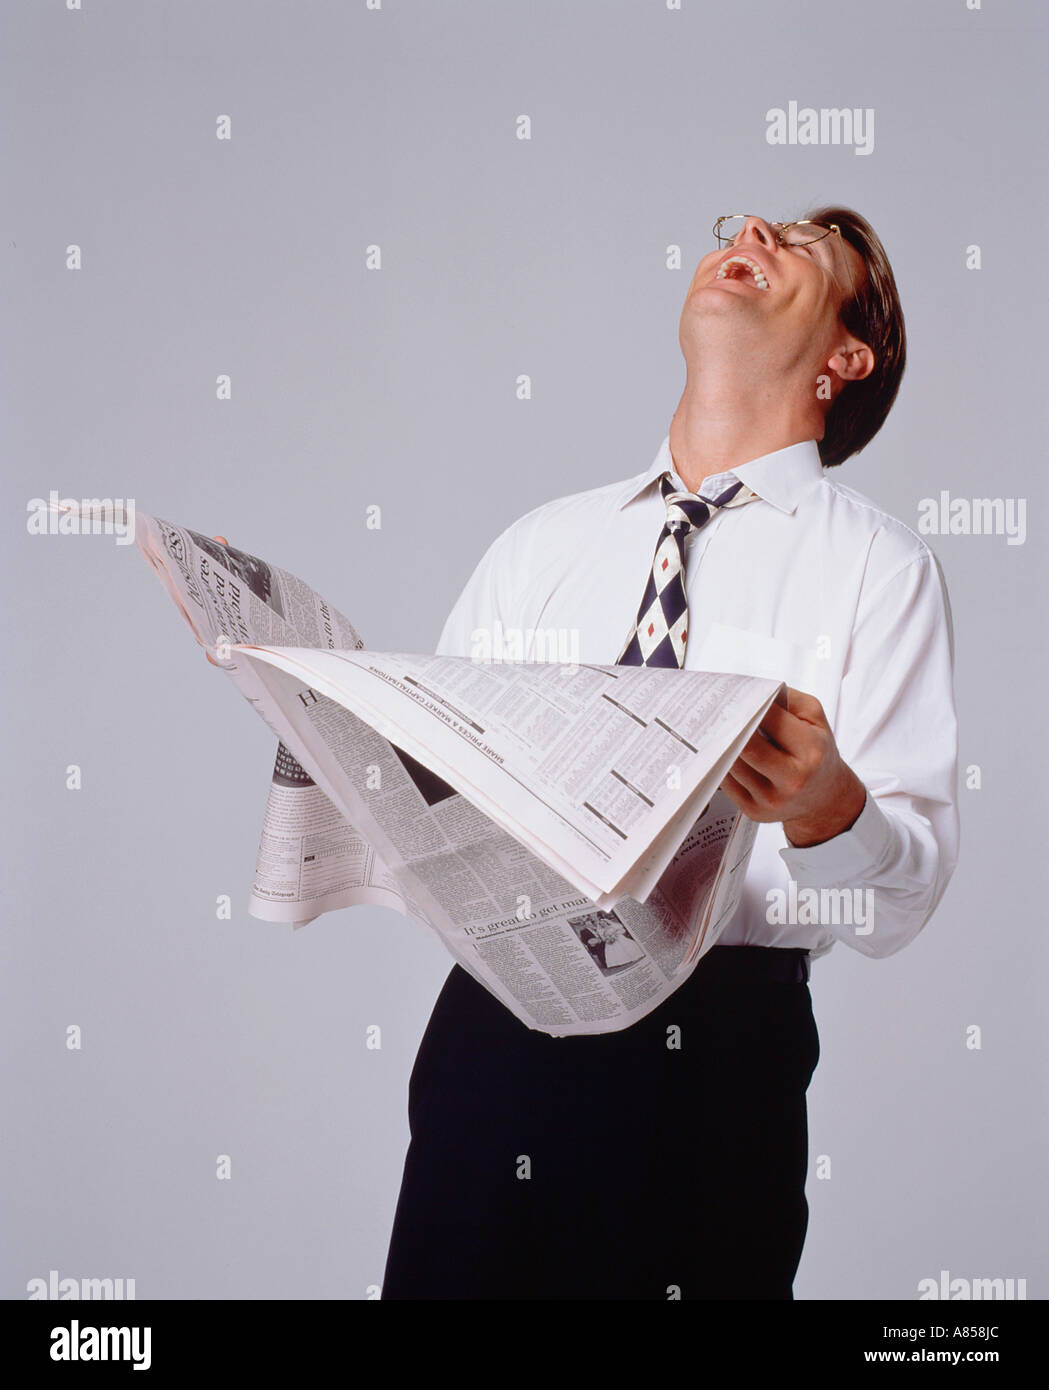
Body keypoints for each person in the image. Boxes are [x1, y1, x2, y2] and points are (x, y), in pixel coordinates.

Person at [379, 208, 959, 1301]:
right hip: (492, 1036)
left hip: (711, 1061)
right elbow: (436, 819)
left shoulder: (878, 571)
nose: (751, 231)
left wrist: (829, 806)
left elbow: (898, 904)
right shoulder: (538, 547)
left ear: (846, 355)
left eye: (798, 245)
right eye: (741, 222)